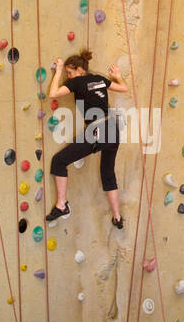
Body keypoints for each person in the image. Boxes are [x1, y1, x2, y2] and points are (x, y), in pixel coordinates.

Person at [46, 48, 128, 228]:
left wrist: (58, 69)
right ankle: (117, 217)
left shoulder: (77, 82)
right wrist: (118, 75)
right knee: (108, 173)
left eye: (70, 72)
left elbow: (53, 93)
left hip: (98, 130)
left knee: (59, 161)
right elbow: (124, 87)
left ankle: (62, 205)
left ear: (78, 70)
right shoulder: (100, 79)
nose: (69, 76)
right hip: (113, 130)